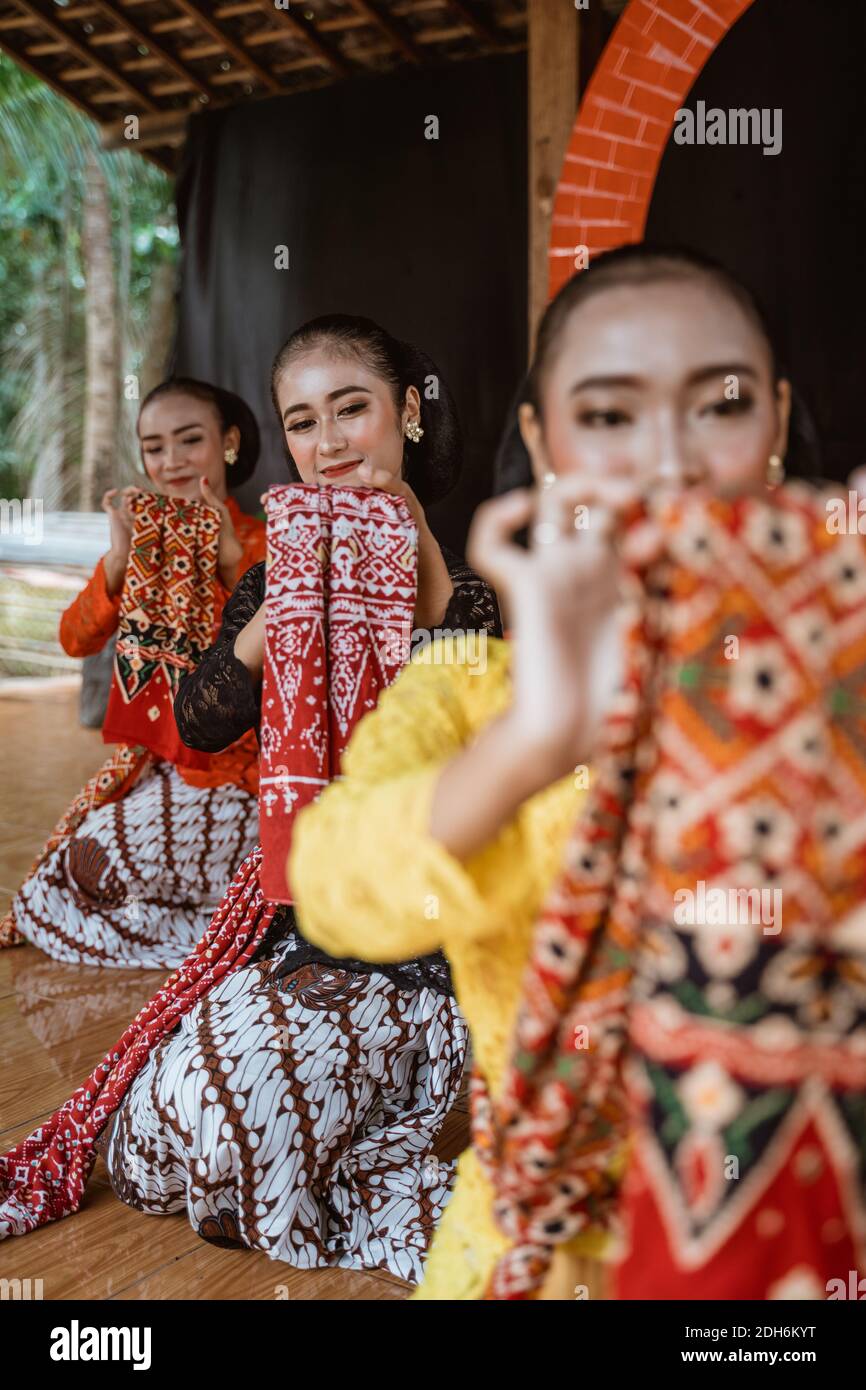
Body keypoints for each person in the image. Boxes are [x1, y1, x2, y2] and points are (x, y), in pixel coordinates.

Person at [286, 246, 862, 1300]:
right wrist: (537, 740)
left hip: (802, 1241)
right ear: (543, 442)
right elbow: (334, 891)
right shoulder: (471, 684)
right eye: (607, 416)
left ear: (775, 425)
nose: (668, 462)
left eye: (718, 405)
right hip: (540, 1249)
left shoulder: (848, 681)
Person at [101, 317, 501, 1283]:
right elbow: (199, 722)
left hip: (424, 955)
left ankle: (398, 1129)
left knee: (251, 1144)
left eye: (352, 409)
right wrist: (282, 607)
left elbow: (474, 726)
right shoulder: (276, 575)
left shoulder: (479, 588)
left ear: (406, 411)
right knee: (150, 1141)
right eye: (303, 421)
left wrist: (414, 556)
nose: (328, 444)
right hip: (299, 928)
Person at [4, 378, 266, 969]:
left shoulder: (269, 543)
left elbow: (286, 670)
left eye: (189, 440)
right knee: (55, 883)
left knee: (88, 871)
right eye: (154, 446)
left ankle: (239, 933)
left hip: (244, 776)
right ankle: (224, 932)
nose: (170, 461)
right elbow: (75, 638)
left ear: (228, 443)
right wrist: (121, 561)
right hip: (164, 770)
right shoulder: (146, 548)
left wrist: (229, 562)